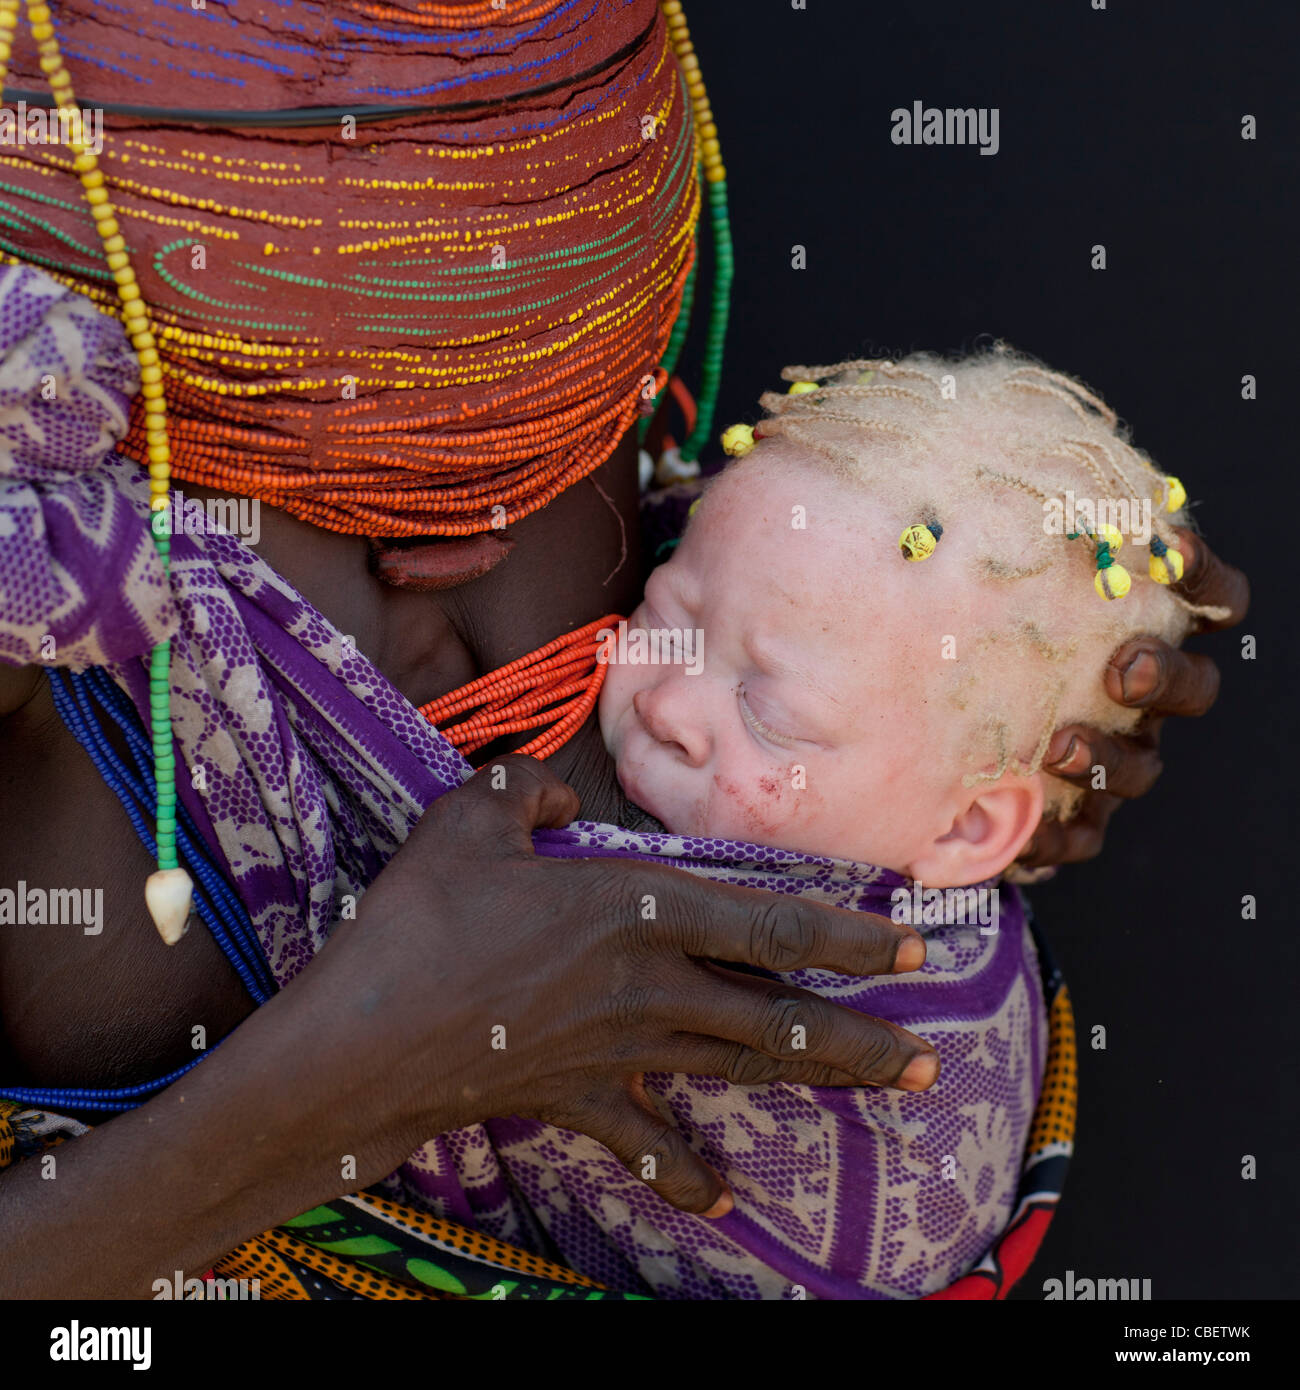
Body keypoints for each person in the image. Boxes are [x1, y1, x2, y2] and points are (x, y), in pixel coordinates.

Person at [0, 1, 1247, 1299]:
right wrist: (347, 1082)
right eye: (670, 626)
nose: (672, 694)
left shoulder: (663, 441)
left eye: (767, 696)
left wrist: (1022, 672)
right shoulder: (43, 546)